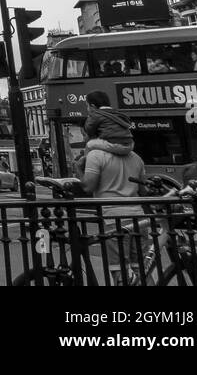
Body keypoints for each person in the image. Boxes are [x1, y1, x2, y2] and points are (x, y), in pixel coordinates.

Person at [79, 137, 147, 284]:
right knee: (142, 271)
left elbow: (87, 187)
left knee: (119, 272)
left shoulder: (95, 155)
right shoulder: (136, 157)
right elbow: (143, 190)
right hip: (139, 217)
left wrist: (78, 169)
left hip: (113, 218)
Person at [83, 90, 134, 154]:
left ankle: (83, 163)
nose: (87, 109)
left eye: (87, 106)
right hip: (130, 144)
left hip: (116, 145)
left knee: (89, 144)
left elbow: (89, 130)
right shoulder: (116, 112)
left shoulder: (95, 114)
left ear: (93, 107)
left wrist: (89, 117)